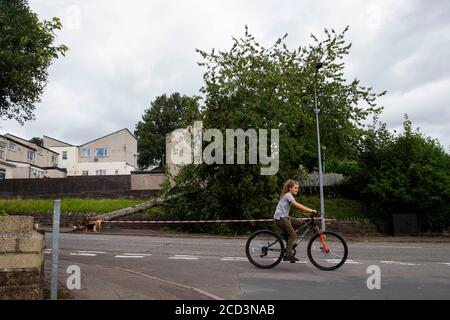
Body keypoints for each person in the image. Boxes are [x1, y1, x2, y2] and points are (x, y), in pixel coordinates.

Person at [274, 179, 317, 262]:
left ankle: (288, 239)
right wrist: (310, 210)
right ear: (290, 188)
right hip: (281, 218)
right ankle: (287, 255)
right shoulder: (288, 195)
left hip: (284, 217)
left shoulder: (288, 195)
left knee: (300, 223)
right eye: (295, 188)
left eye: (298, 188)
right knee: (293, 236)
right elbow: (297, 205)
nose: (297, 189)